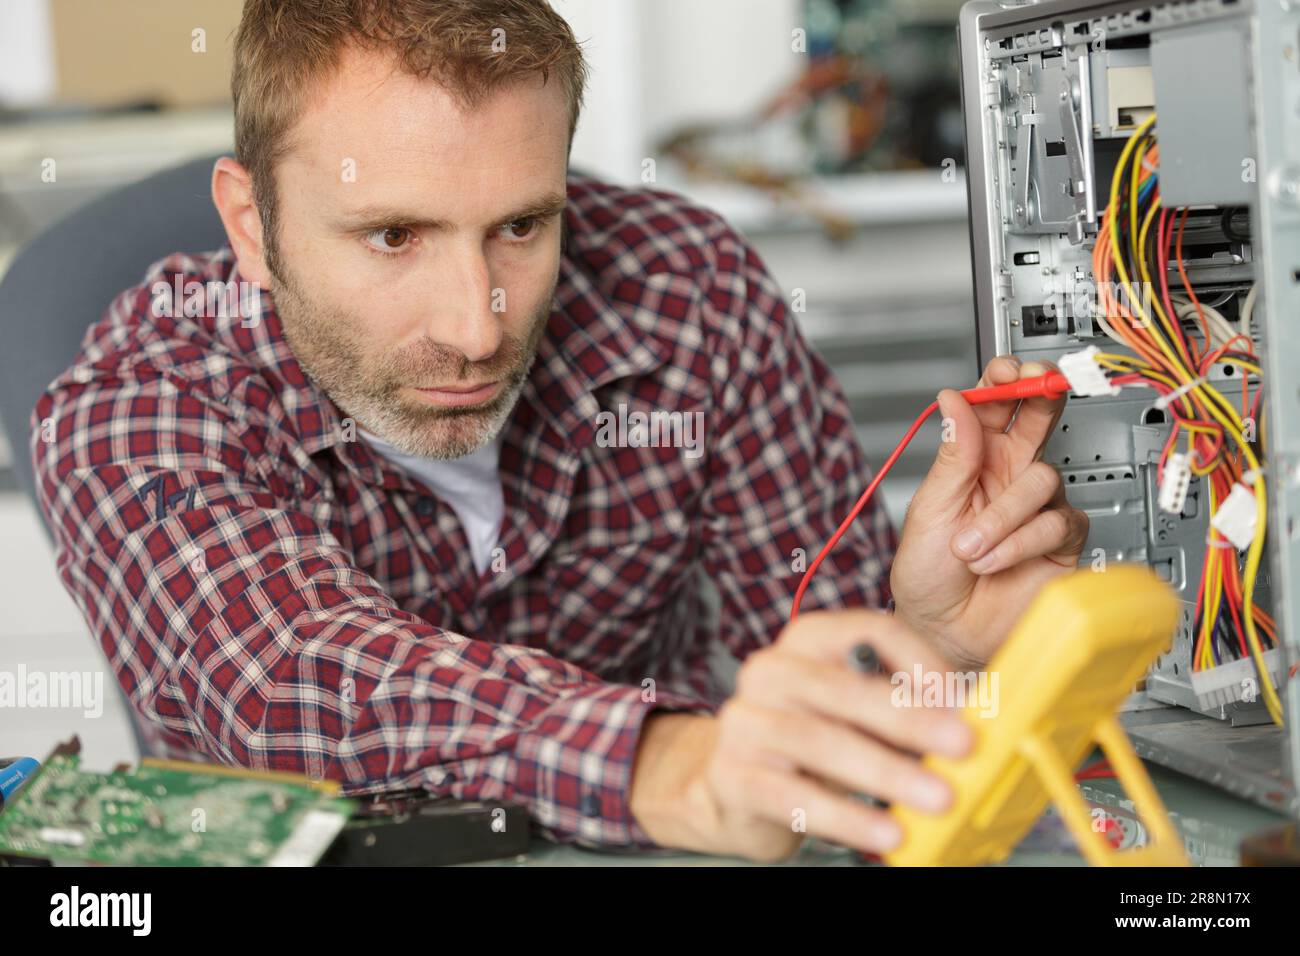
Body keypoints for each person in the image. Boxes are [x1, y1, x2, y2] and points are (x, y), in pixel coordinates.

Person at [31, 0, 1087, 861]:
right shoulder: (131, 409)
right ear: (252, 227)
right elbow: (291, 679)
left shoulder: (688, 293)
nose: (472, 322)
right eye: (393, 234)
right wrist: (669, 763)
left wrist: (929, 643)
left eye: (521, 226)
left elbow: (829, 711)